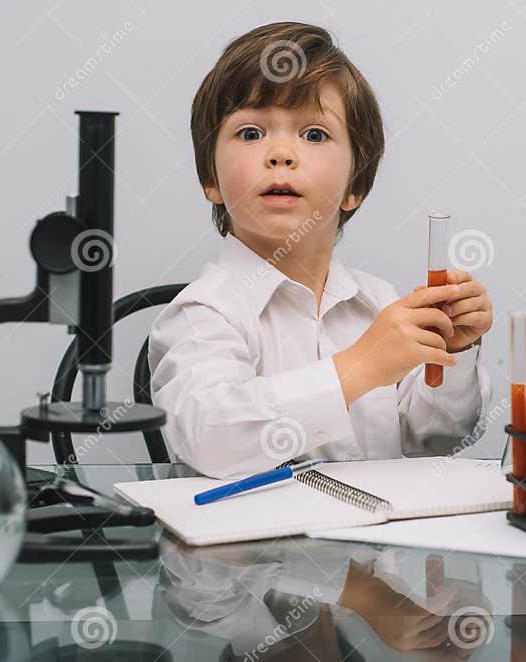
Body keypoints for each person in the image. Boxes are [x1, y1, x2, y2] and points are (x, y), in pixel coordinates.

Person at [149, 22, 493, 479]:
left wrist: (453, 355)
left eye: (313, 135)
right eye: (250, 133)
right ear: (211, 180)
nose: (280, 154)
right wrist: (359, 367)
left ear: (355, 186)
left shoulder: (379, 304)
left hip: (375, 545)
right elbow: (211, 438)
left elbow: (437, 438)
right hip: (261, 550)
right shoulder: (202, 314)